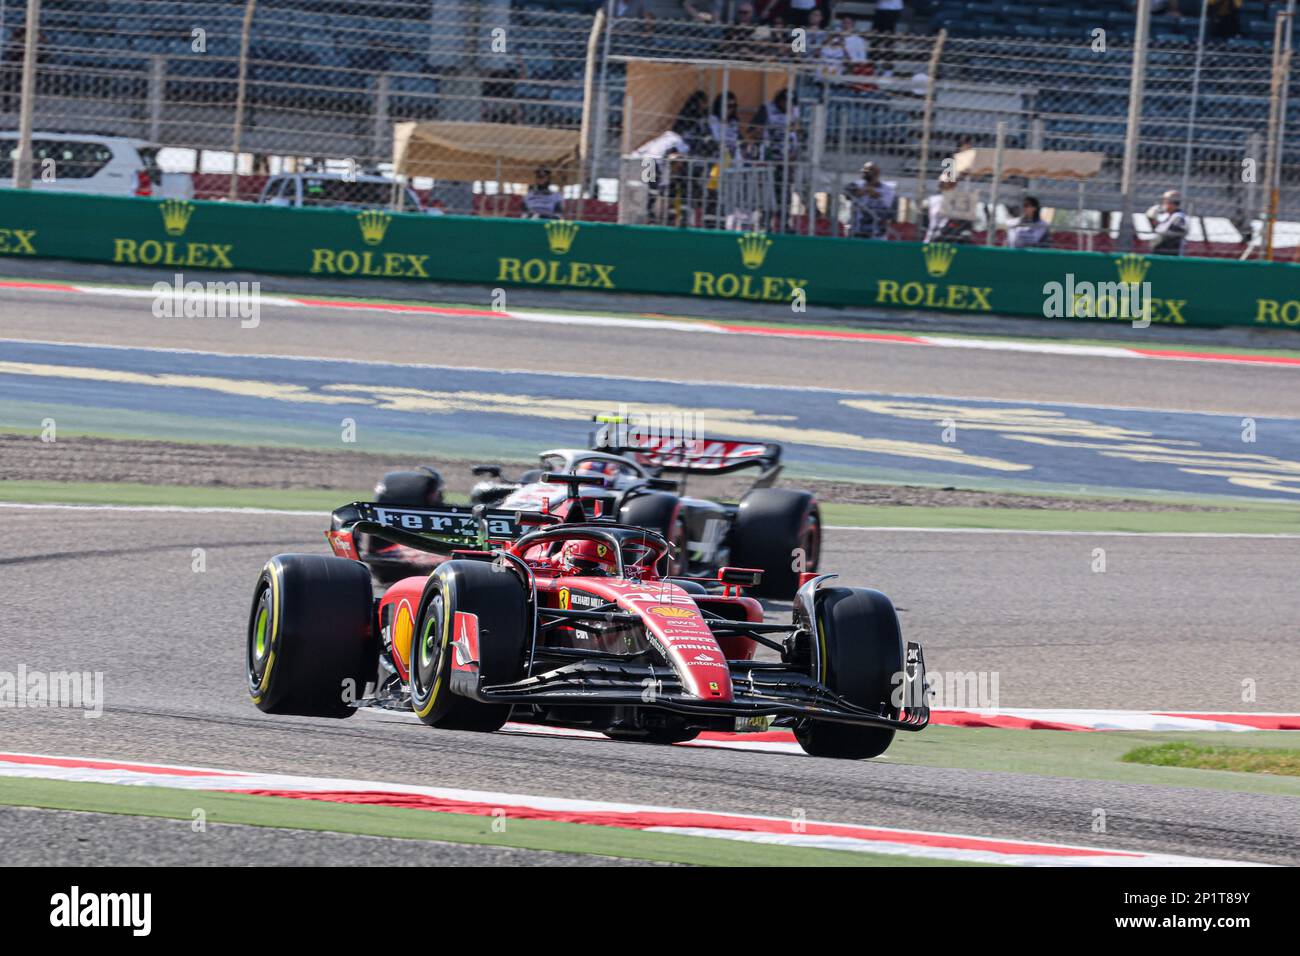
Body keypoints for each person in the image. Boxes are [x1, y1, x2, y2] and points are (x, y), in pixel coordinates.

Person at [845, 161, 896, 239]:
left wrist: (875, 195)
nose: (865, 173)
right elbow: (847, 193)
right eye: (864, 171)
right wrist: (864, 191)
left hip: (877, 231)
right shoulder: (857, 184)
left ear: (877, 173)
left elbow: (886, 204)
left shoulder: (886, 189)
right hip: (855, 229)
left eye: (869, 171)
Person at [1147, 189, 1188, 255]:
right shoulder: (1165, 216)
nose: (1163, 203)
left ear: (1172, 203)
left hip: (1168, 253)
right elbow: (1156, 230)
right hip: (1158, 251)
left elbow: (1168, 237)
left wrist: (1154, 243)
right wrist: (1151, 219)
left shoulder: (1178, 217)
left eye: (1165, 201)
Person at [872, 0, 905, 77]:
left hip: (892, 9)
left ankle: (888, 68)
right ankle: (874, 65)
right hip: (880, 8)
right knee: (875, 38)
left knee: (888, 39)